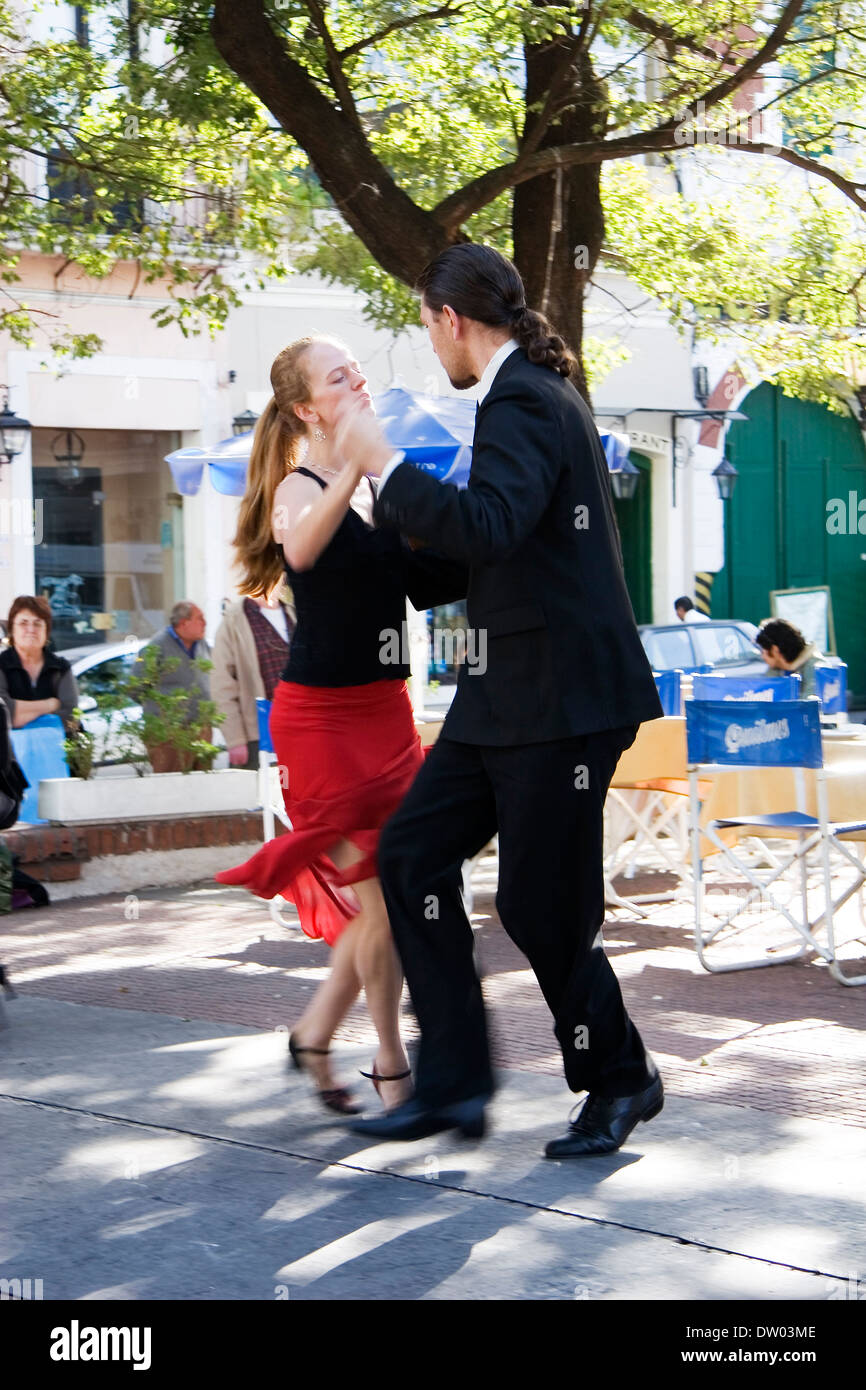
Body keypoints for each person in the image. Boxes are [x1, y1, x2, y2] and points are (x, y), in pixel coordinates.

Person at [335, 243, 665, 1157]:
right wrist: (376, 513)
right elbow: (486, 549)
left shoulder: (525, 397)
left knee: (540, 906)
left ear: (451, 319)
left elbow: (488, 523)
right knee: (412, 857)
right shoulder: (525, 397)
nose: (428, 340)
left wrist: (386, 464)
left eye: (425, 323)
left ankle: (621, 1076)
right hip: (506, 698)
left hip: (559, 702)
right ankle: (453, 1086)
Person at [214, 335, 466, 1115]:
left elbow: (425, 580)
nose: (356, 381)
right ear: (304, 408)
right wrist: (360, 461)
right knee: (385, 895)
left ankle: (343, 1044)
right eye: (338, 377)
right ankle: (360, 1048)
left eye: (357, 371)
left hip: (389, 715)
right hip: (323, 722)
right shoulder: (302, 485)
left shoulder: (376, 490)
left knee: (387, 893)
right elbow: (305, 547)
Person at [211, 584, 297, 769]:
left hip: (300, 731)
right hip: (258, 738)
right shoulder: (234, 619)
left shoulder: (295, 613)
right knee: (264, 796)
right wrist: (235, 740)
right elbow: (221, 686)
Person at [138, 601, 213, 773]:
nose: (205, 623)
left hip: (200, 728)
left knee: (203, 783)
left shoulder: (202, 645)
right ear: (183, 623)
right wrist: (161, 711)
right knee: (171, 783)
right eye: (200, 618)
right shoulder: (157, 645)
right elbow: (137, 685)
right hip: (168, 732)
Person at [0, 595, 80, 732]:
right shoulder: (1, 664)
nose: (31, 629)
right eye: (23, 623)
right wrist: (50, 704)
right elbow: (3, 714)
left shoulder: (60, 668)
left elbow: (71, 719)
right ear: (12, 629)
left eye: (37, 624)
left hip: (55, 751)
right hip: (9, 752)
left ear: (46, 631)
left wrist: (19, 714)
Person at [755, 618, 824, 697]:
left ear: (775, 650)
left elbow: (811, 705)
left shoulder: (816, 669)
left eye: (763, 651)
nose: (762, 656)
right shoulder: (776, 668)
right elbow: (763, 696)